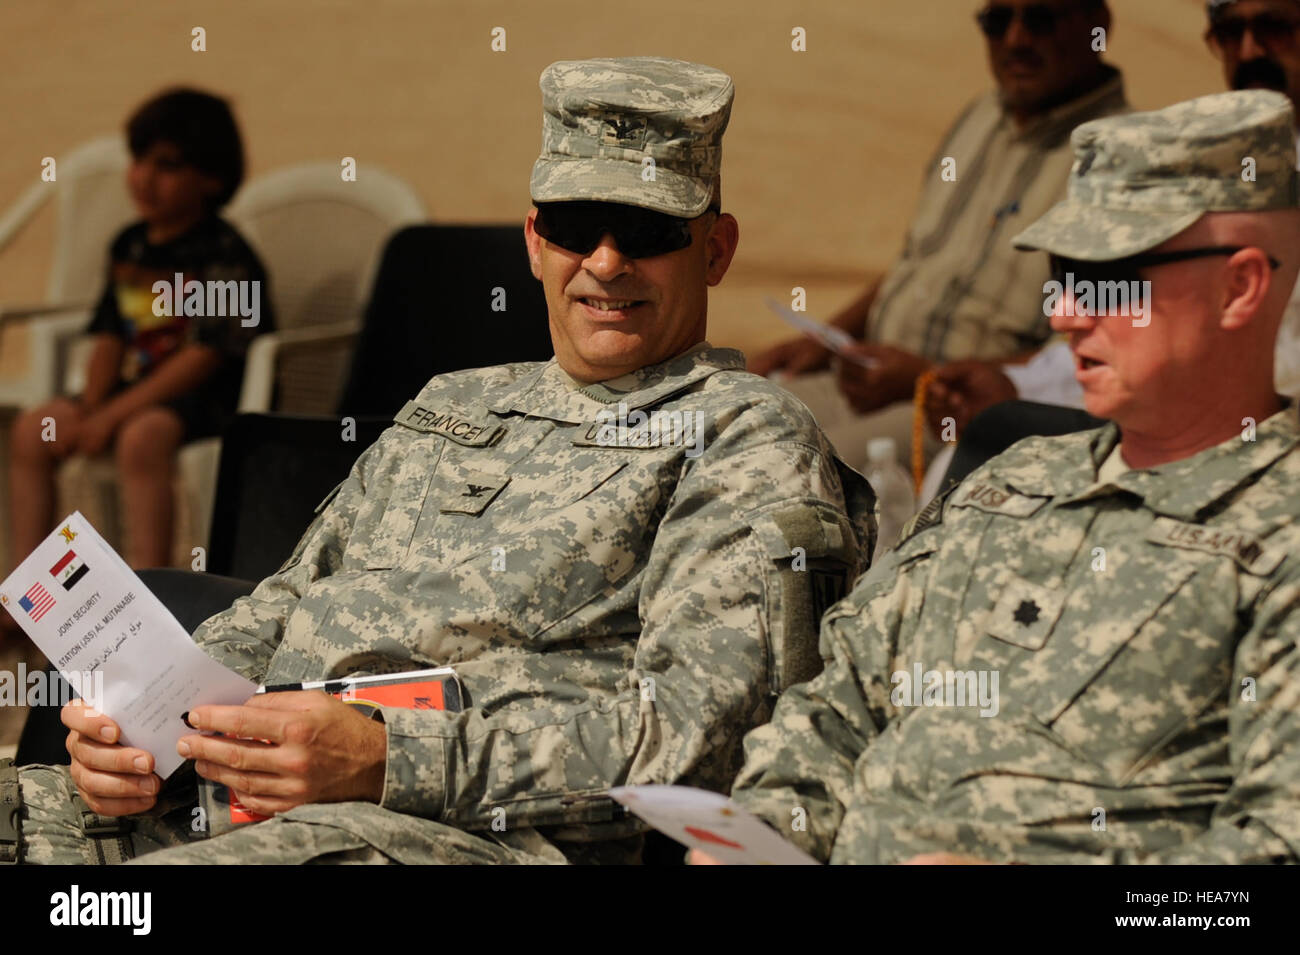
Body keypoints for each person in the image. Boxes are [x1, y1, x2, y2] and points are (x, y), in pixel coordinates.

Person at [0, 56, 874, 866]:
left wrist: (387, 758)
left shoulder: (744, 439)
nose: (606, 261)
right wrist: (137, 724)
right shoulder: (452, 403)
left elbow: (702, 742)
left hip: (445, 831)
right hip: (226, 792)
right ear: (535, 240)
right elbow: (280, 605)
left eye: (648, 230)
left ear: (714, 249)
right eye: (577, 225)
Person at [717, 90, 1300, 864]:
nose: (1065, 313)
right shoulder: (1013, 480)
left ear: (1241, 286)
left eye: (1109, 277)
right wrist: (757, 833)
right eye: (1063, 272)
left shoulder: (1280, 531)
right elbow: (837, 699)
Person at [748, 0, 1128, 471]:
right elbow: (919, 260)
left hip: (962, 411)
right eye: (997, 21)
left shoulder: (1119, 157)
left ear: (1098, 26)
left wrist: (923, 379)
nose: (1015, 39)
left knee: (784, 470)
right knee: (720, 422)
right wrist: (826, 340)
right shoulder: (981, 116)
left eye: (1041, 19)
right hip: (864, 378)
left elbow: (1096, 342)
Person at [924, 0, 1300, 454]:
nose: (1248, 51)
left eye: (1275, 28)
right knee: (983, 443)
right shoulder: (1230, 160)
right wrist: (1017, 383)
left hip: (1254, 449)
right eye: (1227, 33)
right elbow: (1139, 314)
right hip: (1185, 425)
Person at [2, 89, 273, 630]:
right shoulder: (131, 246)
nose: (144, 178)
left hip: (208, 400)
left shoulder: (222, 254)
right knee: (36, 429)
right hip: (134, 394)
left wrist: (110, 416)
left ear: (212, 179)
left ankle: (148, 597)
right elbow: (109, 336)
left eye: (167, 166)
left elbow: (202, 358)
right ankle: (26, 597)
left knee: (141, 437)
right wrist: (91, 406)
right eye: (139, 160)